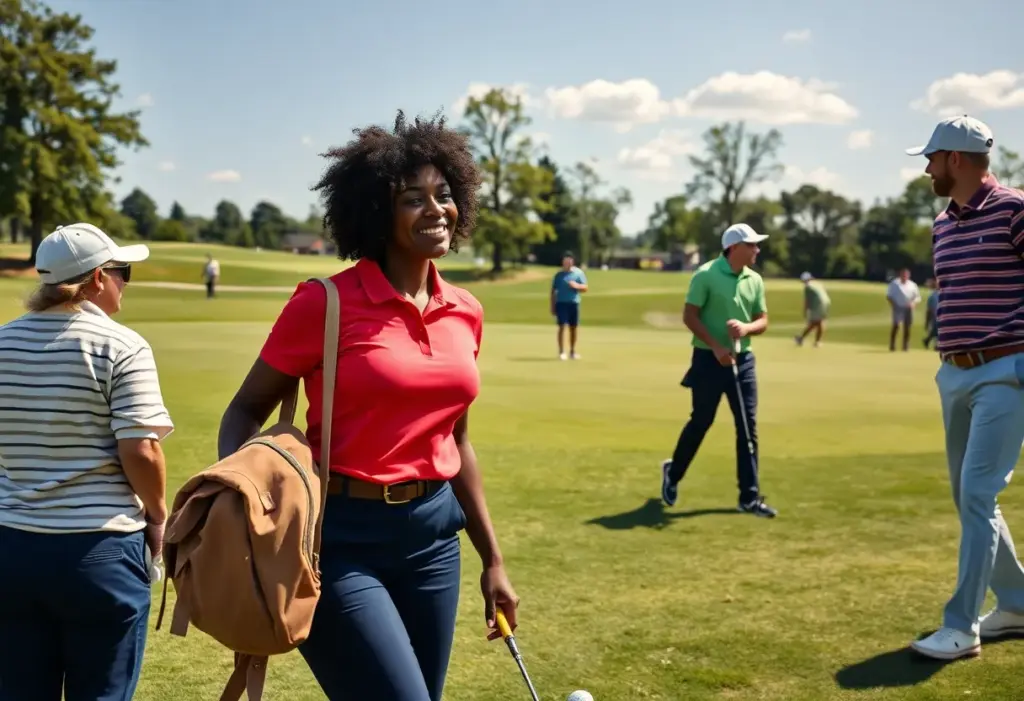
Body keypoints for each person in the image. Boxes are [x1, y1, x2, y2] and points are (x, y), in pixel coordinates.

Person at [217, 111, 519, 700]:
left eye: (444, 193)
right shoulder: (324, 303)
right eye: (413, 198)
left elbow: (457, 440)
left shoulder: (466, 310)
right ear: (379, 211)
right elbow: (244, 410)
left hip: (434, 542)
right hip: (339, 541)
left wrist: (493, 560)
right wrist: (251, 511)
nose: (436, 209)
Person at [0, 223, 173, 700]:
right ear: (97, 278)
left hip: (11, 548)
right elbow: (140, 448)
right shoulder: (122, 345)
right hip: (99, 552)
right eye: (122, 272)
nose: (124, 283)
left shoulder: (2, 342)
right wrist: (159, 517)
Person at [904, 114, 1024, 660]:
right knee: (968, 497)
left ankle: (961, 628)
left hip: (1006, 371)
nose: (926, 166)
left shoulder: (1015, 210)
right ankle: (1018, 603)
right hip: (954, 371)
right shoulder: (941, 224)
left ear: (956, 159)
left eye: (931, 157)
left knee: (978, 492)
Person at [660, 223, 778, 518]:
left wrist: (746, 328)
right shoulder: (706, 275)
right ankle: (673, 474)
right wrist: (715, 346)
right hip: (707, 359)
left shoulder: (754, 280)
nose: (757, 250)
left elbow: (762, 320)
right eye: (752, 245)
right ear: (735, 247)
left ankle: (749, 498)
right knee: (701, 421)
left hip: (744, 360)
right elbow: (690, 316)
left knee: (747, 428)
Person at [550, 250, 588, 360]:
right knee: (562, 327)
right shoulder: (559, 275)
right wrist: (552, 306)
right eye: (565, 261)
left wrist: (576, 286)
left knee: (573, 328)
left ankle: (572, 351)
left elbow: (585, 287)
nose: (567, 263)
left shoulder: (578, 273)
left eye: (569, 261)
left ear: (572, 262)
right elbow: (553, 291)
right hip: (561, 303)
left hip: (574, 303)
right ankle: (562, 351)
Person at [885, 267, 920, 351]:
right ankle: (892, 344)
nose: (904, 276)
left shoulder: (912, 285)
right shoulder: (894, 284)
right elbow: (889, 296)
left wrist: (913, 303)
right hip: (897, 307)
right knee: (896, 325)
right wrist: (893, 305)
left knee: (907, 327)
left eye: (906, 275)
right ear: (900, 275)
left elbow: (917, 297)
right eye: (903, 274)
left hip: (908, 308)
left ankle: (905, 345)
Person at [794, 271, 830, 348]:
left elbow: (807, 301)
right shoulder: (818, 283)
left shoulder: (808, 286)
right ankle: (804, 338)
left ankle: (809, 340)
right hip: (826, 302)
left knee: (816, 322)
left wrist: (805, 311)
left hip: (818, 304)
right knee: (818, 322)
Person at [923, 277, 941, 349]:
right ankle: (936, 345)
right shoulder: (933, 295)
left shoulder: (942, 293)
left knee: (936, 331)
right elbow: (929, 309)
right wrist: (927, 321)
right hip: (935, 316)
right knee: (936, 331)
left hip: (941, 316)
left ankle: (928, 341)